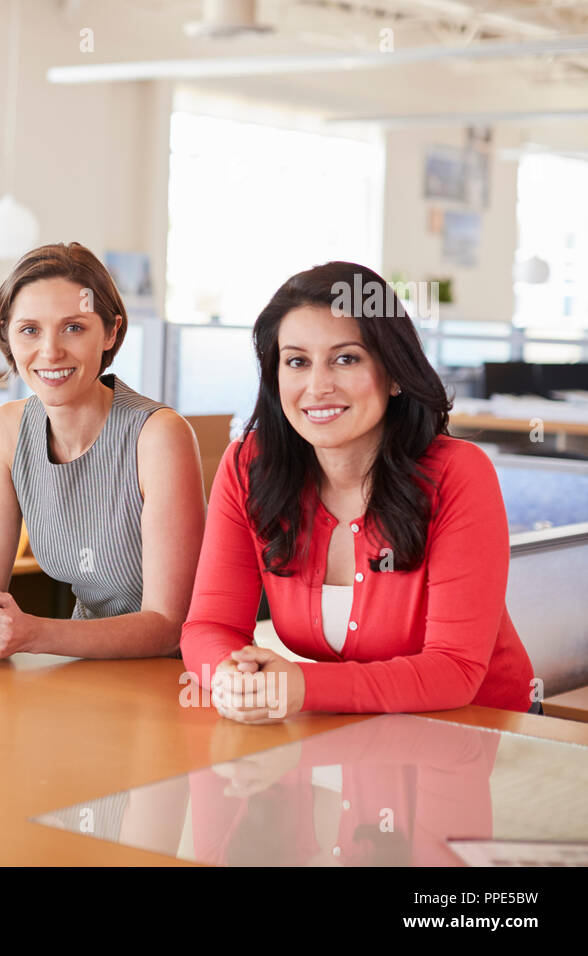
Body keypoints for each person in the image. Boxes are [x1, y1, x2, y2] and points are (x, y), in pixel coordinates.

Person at [181, 261, 536, 722]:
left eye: (346, 358)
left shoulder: (457, 473)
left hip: (491, 737)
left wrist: (303, 685)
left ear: (393, 374)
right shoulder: (250, 466)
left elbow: (455, 670)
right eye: (297, 361)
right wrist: (232, 676)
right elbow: (210, 626)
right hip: (357, 734)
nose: (318, 386)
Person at [0, 242, 205, 658]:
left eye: (73, 327)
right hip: (81, 667)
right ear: (7, 335)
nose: (50, 351)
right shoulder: (9, 428)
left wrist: (33, 634)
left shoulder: (159, 435)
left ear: (109, 332)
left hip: (172, 674)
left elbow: (167, 626)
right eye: (30, 330)